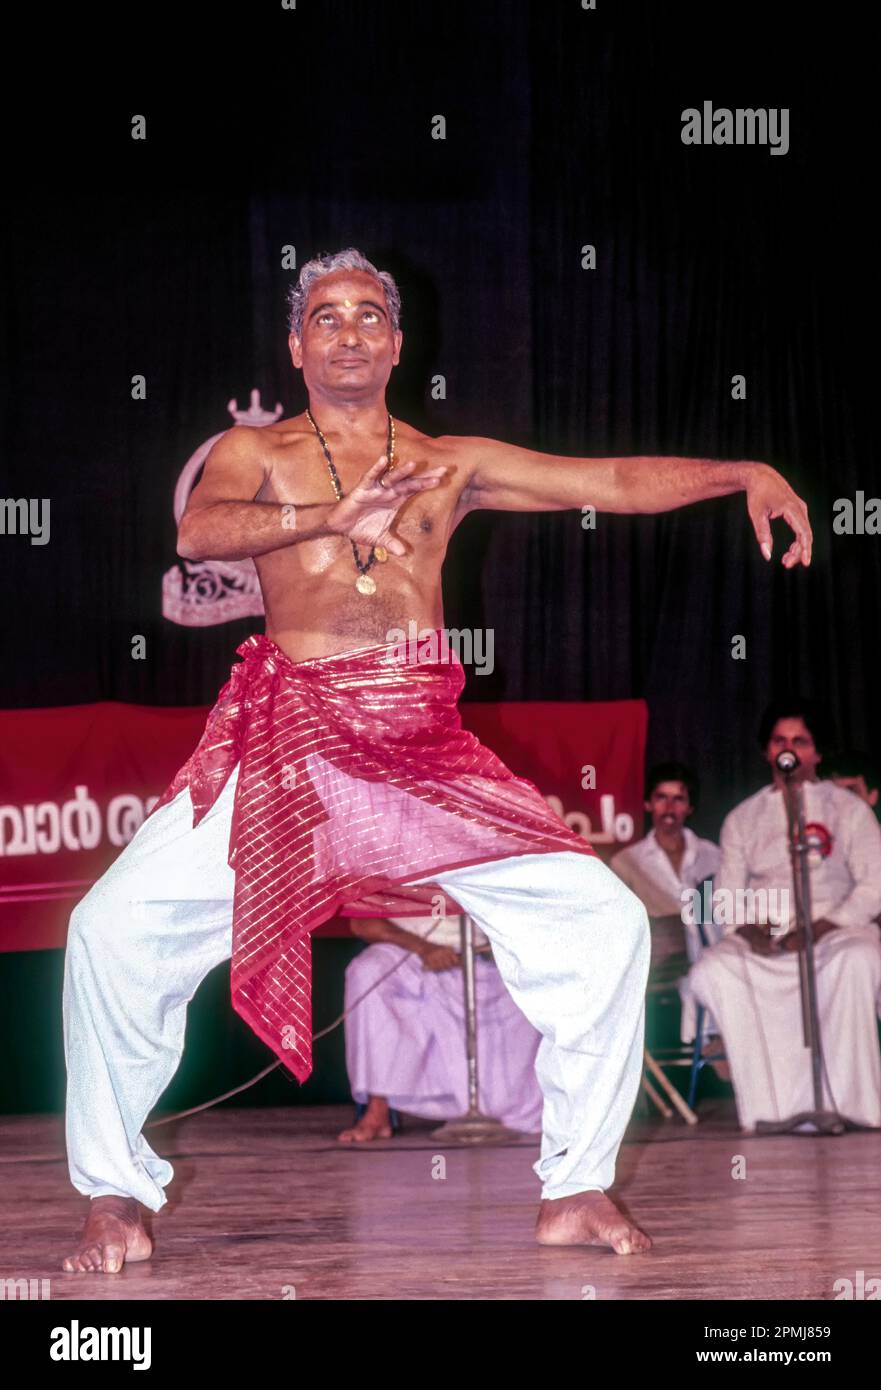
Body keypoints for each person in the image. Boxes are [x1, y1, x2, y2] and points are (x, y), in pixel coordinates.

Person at [61, 246, 812, 1273]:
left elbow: (608, 480)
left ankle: (574, 1185)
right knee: (111, 928)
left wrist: (741, 473)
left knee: (597, 922)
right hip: (286, 740)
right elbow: (200, 533)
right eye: (327, 317)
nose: (350, 332)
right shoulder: (260, 455)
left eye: (369, 315)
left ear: (398, 342)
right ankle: (113, 1191)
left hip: (419, 748)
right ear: (296, 343)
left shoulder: (447, 461)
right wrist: (331, 516)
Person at [688, 700, 881, 1131]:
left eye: (800, 741)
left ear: (815, 753)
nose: (788, 749)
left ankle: (853, 1107)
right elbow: (727, 895)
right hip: (767, 933)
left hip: (834, 930)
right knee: (714, 968)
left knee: (859, 958)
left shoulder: (847, 809)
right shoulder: (744, 818)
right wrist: (749, 931)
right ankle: (771, 1110)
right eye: (780, 740)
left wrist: (825, 926)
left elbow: (875, 883)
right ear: (766, 751)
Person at [338, 914, 542, 1141]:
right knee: (368, 969)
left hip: (479, 958)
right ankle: (378, 1112)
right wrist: (424, 948)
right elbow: (362, 922)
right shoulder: (385, 876)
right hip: (406, 951)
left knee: (535, 984)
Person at [610, 762, 721, 1046]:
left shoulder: (715, 856)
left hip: (713, 959)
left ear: (690, 808)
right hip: (659, 968)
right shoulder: (626, 863)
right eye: (661, 798)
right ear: (648, 804)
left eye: (679, 799)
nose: (669, 808)